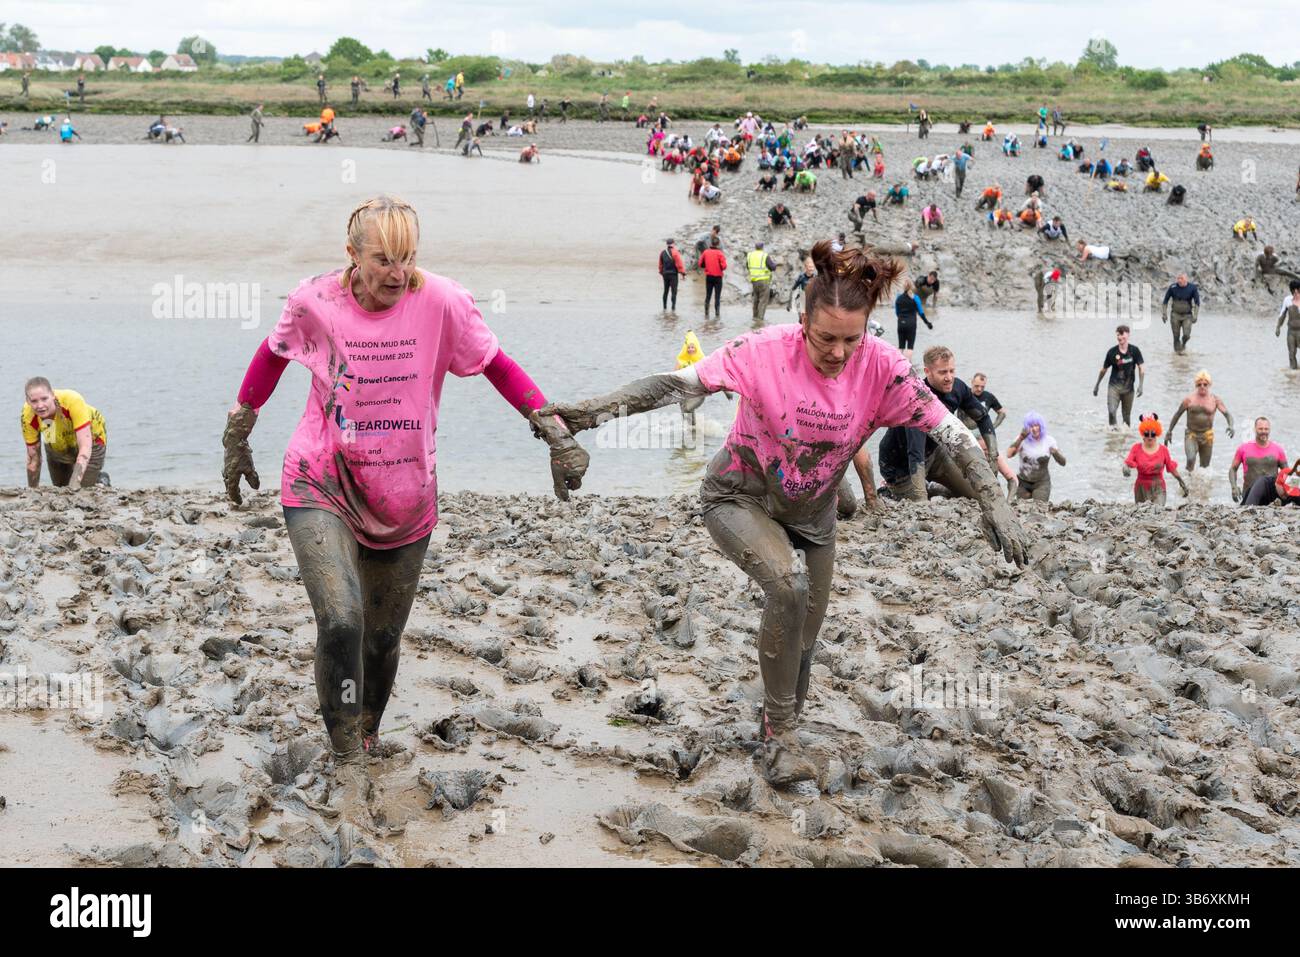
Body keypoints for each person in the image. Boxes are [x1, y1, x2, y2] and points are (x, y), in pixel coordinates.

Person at [538, 243, 1026, 784]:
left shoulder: (885, 369)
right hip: (738, 495)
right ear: (802, 322)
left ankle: (776, 727)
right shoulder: (764, 351)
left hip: (813, 515)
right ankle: (783, 743)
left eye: (851, 339)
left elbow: (951, 433)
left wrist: (994, 502)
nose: (839, 352)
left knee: (806, 640)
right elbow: (673, 385)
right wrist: (586, 415)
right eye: (825, 338)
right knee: (787, 586)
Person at [221, 197, 589, 823]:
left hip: (405, 494)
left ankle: (367, 731)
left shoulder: (442, 302)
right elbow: (273, 355)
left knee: (383, 639)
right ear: (353, 256)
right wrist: (238, 432)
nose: (398, 272)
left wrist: (553, 431)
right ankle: (346, 758)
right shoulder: (315, 301)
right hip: (321, 478)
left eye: (408, 257)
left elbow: (497, 365)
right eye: (383, 260)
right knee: (341, 619)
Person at [875, 345, 999, 502]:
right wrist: (921, 500)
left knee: (976, 495)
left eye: (951, 371)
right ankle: (891, 490)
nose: (949, 377)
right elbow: (915, 453)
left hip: (935, 453)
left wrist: (993, 457)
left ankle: (934, 488)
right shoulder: (918, 399)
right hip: (901, 467)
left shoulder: (958, 388)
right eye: (942, 372)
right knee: (919, 504)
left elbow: (983, 417)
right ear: (927, 372)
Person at [21, 377, 109, 489]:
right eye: (34, 401)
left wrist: (74, 485)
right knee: (60, 490)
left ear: (52, 395)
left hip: (92, 438)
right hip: (56, 438)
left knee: (81, 490)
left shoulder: (73, 400)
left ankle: (101, 482)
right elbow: (33, 457)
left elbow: (85, 447)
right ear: (28, 401)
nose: (40, 406)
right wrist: (32, 491)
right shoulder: (27, 416)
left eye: (44, 399)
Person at [1166, 370, 1234, 473]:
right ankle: (1188, 481)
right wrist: (1169, 431)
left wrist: (1231, 425)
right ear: (1196, 385)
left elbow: (1227, 414)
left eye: (1205, 384)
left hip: (1207, 435)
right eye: (1199, 384)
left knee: (1205, 468)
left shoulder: (1215, 400)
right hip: (1191, 434)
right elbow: (1177, 415)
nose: (1202, 386)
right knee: (1190, 458)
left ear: (1209, 385)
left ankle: (1202, 487)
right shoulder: (1189, 400)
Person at [1124, 414, 1188, 505]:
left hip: (1159, 487)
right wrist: (1125, 467)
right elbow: (1128, 461)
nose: (1150, 437)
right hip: (1141, 488)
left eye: (1153, 434)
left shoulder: (1163, 450)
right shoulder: (1136, 448)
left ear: (1157, 434)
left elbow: (1171, 468)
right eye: (1147, 434)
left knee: (1158, 512)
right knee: (1142, 514)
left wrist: (1181, 482)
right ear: (1143, 434)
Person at [1005, 412, 1065, 502]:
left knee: (1039, 508)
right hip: (1023, 482)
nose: (1034, 429)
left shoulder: (1049, 441)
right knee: (1022, 510)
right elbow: (1009, 454)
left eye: (1037, 425)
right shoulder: (1022, 439)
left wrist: (1055, 453)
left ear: (1041, 426)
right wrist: (1021, 438)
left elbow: (1063, 462)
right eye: (1031, 426)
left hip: (1042, 482)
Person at [1093, 325, 1145, 428]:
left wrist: (1141, 385)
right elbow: (1104, 369)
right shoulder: (1112, 352)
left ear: (1128, 334)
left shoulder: (1134, 351)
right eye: (1118, 335)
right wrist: (1097, 385)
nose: (1120, 337)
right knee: (1112, 412)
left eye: (1122, 334)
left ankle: (1125, 439)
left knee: (1126, 418)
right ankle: (1113, 437)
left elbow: (1141, 368)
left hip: (1128, 389)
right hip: (1114, 387)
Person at [1230, 417, 1287, 504]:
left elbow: (1286, 473)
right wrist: (1234, 487)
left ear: (1269, 430)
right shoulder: (1243, 448)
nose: (1263, 431)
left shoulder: (1278, 450)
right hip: (1249, 494)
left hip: (1271, 497)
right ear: (1254, 429)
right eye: (1260, 429)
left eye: (1266, 429)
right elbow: (1233, 469)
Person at [1161, 273, 1200, 354]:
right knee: (1176, 336)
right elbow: (1165, 301)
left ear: (1186, 279)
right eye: (1178, 278)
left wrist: (1195, 315)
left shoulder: (1192, 288)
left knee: (1186, 335)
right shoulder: (1173, 287)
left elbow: (1197, 303)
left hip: (1187, 315)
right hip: (1175, 315)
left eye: (1181, 278)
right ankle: (1177, 355)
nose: (1179, 280)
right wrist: (1164, 314)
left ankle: (1183, 344)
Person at [894, 279, 932, 360]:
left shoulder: (898, 298)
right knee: (910, 347)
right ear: (912, 287)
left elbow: (897, 312)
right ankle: (908, 367)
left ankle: (898, 367)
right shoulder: (915, 298)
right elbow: (921, 312)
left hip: (901, 324)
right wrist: (927, 323)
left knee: (901, 347)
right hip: (911, 324)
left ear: (903, 287)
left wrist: (902, 319)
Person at [746, 242, 776, 324]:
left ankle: (754, 318)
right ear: (762, 247)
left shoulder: (750, 255)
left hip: (754, 281)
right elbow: (773, 267)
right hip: (763, 280)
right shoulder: (764, 255)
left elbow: (748, 266)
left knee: (756, 299)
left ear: (755, 247)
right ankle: (760, 320)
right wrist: (775, 264)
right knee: (763, 300)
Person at [699, 236, 727, 319]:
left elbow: (700, 264)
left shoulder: (705, 252)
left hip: (709, 277)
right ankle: (717, 315)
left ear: (710, 243)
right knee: (717, 296)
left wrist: (706, 266)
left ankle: (706, 314)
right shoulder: (720, 253)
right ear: (718, 244)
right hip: (718, 277)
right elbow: (724, 266)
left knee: (708, 295)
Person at [1275, 284, 1300, 369]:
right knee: (1291, 353)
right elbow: (1282, 314)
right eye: (1294, 291)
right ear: (1292, 291)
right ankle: (1293, 373)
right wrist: (1278, 327)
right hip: (1291, 332)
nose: (1296, 292)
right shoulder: (1287, 300)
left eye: (1298, 290)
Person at [659, 238, 685, 312]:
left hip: (665, 274)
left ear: (667, 244)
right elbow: (679, 264)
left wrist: (661, 272)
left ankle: (664, 308)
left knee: (665, 291)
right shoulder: (675, 252)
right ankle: (673, 308)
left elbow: (660, 265)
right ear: (673, 244)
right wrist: (683, 273)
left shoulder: (662, 252)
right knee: (674, 292)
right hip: (673, 275)